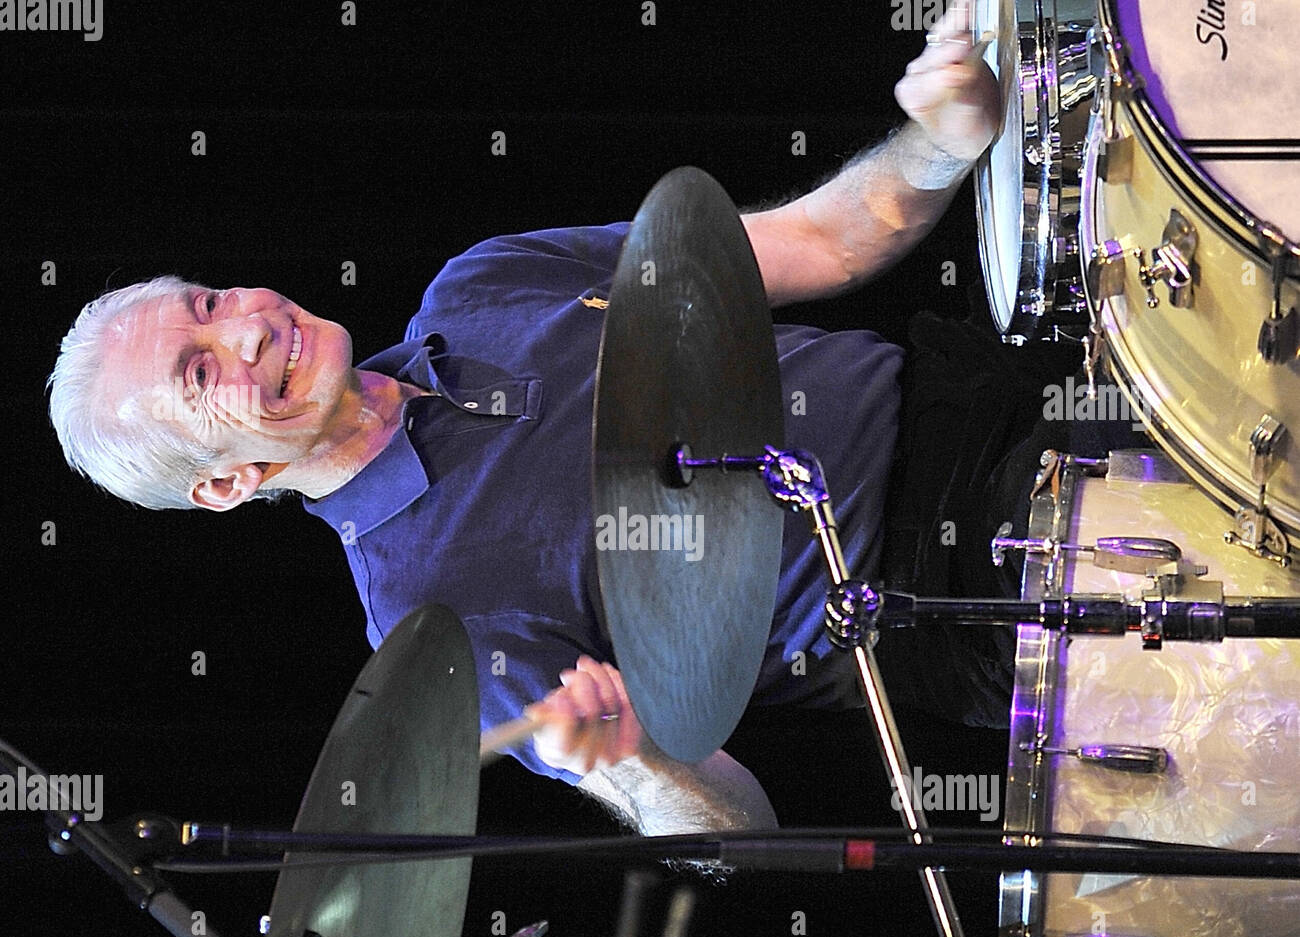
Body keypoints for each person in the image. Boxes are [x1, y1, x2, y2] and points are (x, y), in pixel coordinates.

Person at [47, 6, 1004, 834]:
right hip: (960, 589)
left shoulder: (478, 282)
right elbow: (737, 833)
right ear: (223, 484)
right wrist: (632, 762)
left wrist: (943, 140)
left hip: (971, 384)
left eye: (211, 302)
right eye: (201, 369)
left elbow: (819, 241)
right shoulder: (432, 627)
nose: (250, 327)